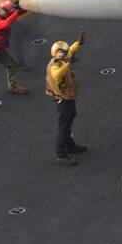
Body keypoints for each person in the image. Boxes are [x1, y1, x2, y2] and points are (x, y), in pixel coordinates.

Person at [46, 36, 87, 166]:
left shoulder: (62, 58)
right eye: (62, 53)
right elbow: (57, 76)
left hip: (69, 97)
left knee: (69, 120)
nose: (65, 54)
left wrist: (78, 43)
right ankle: (61, 155)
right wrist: (69, 63)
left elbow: (70, 51)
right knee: (63, 127)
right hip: (63, 100)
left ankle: (70, 146)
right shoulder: (55, 67)